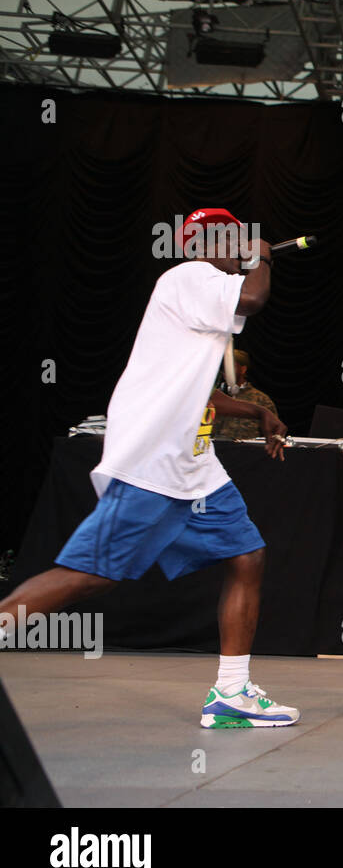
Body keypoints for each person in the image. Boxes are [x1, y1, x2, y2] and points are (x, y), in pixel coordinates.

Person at [0, 208, 300, 727]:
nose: (239, 245)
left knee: (247, 556)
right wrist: (264, 256)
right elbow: (254, 296)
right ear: (203, 243)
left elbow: (195, 389)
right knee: (90, 576)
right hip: (155, 456)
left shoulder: (199, 293)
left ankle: (231, 693)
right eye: (230, 238)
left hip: (194, 463)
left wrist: (257, 410)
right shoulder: (190, 277)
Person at [213, 349, 280, 440]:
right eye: (224, 367)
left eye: (231, 367)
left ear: (243, 369)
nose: (226, 371)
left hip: (245, 451)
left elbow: (272, 432)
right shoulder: (214, 396)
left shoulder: (261, 399)